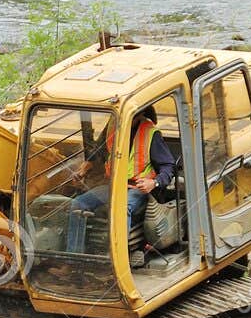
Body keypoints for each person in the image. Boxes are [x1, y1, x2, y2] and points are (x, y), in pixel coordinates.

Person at [71, 105, 177, 257]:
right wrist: (83, 169)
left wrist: (153, 183)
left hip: (137, 189)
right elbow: (99, 152)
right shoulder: (113, 127)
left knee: (122, 207)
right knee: (78, 204)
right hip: (113, 186)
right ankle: (74, 257)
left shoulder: (151, 134)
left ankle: (116, 259)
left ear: (139, 114)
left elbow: (168, 166)